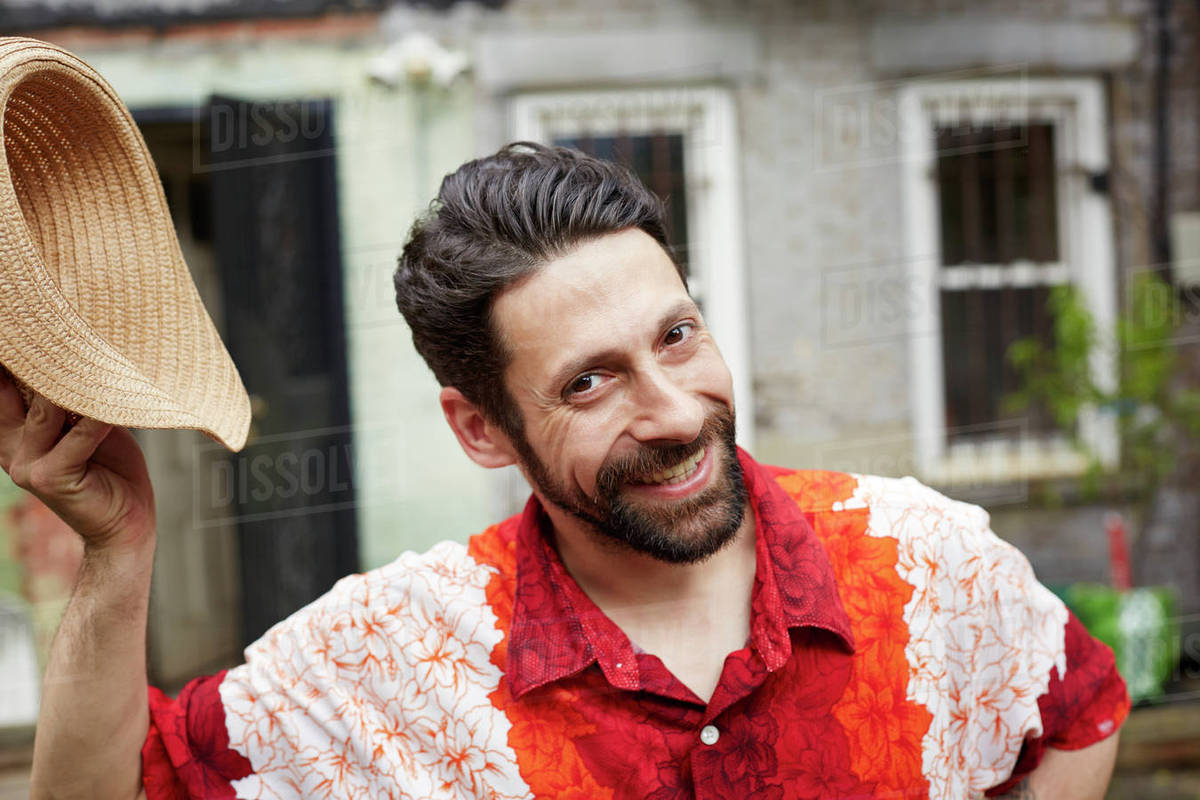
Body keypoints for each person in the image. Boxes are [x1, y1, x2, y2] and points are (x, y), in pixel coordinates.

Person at [3, 143, 1128, 799]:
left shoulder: (923, 556)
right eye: (589, 383)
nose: (676, 410)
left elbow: (1081, 703)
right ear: (482, 428)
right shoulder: (388, 657)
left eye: (677, 336)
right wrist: (117, 558)